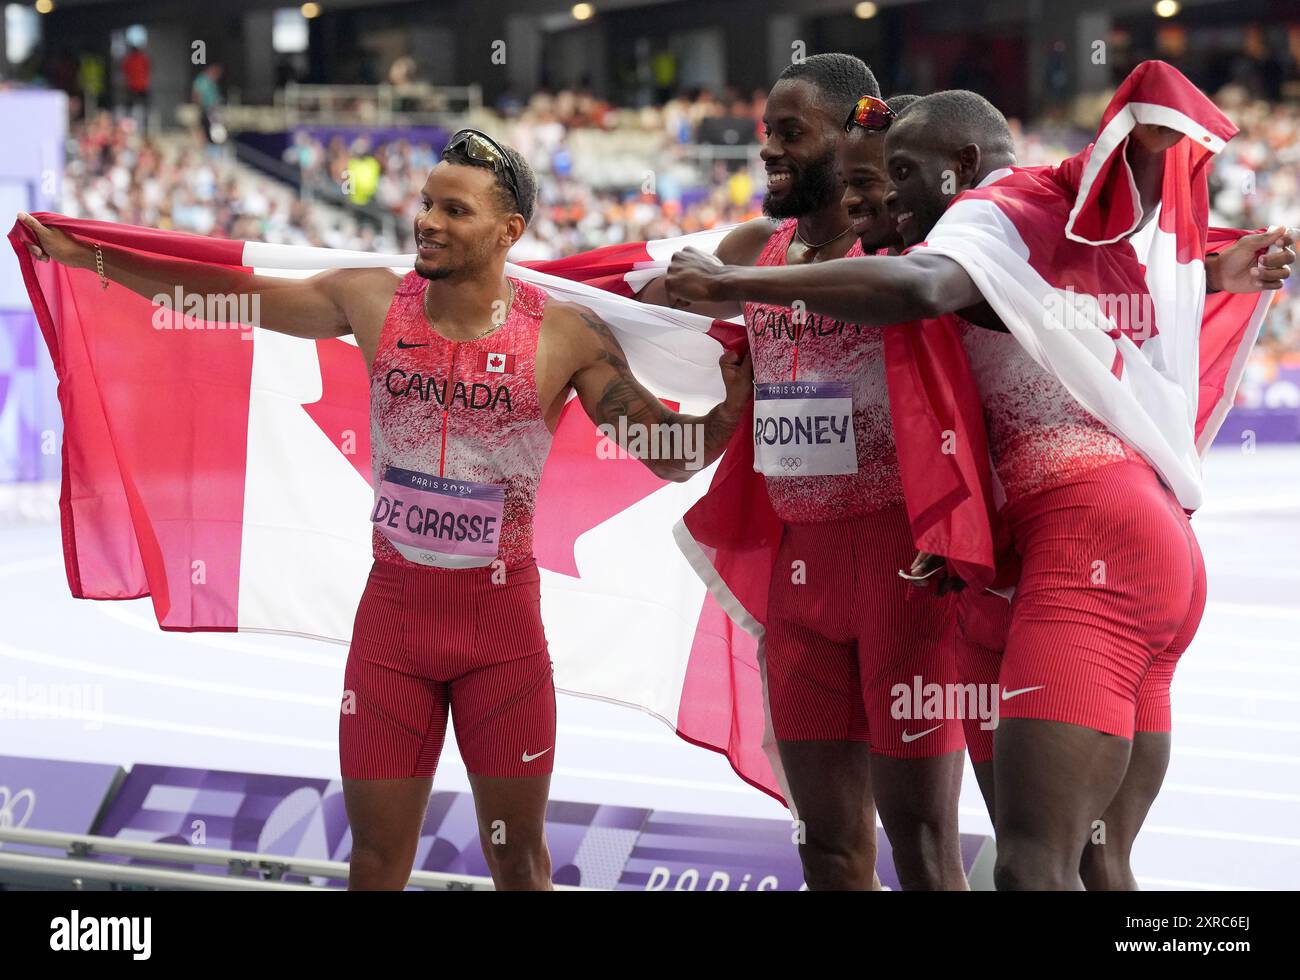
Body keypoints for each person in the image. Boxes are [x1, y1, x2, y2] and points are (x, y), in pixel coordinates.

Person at [18, 129, 752, 892]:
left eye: (454, 210)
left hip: (500, 633)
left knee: (518, 859)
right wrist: (94, 259)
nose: (427, 221)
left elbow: (667, 453)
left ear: (509, 232)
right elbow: (221, 296)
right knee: (373, 863)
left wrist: (730, 413)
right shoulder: (370, 299)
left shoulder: (564, 334)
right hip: (393, 627)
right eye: (426, 202)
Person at [664, 82, 1295, 890]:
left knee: (1029, 869)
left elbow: (924, 287)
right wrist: (1210, 270)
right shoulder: (1031, 220)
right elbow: (1086, 286)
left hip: (1086, 540)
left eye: (897, 173)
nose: (888, 195)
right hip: (1035, 555)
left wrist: (733, 286)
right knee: (1090, 862)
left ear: (960, 165)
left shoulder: (987, 212)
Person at [642, 55, 968, 891]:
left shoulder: (903, 241)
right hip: (801, 575)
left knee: (925, 847)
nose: (769, 153)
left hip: (905, 565)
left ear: (847, 138)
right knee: (823, 842)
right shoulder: (760, 246)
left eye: (791, 134)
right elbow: (646, 290)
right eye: (766, 136)